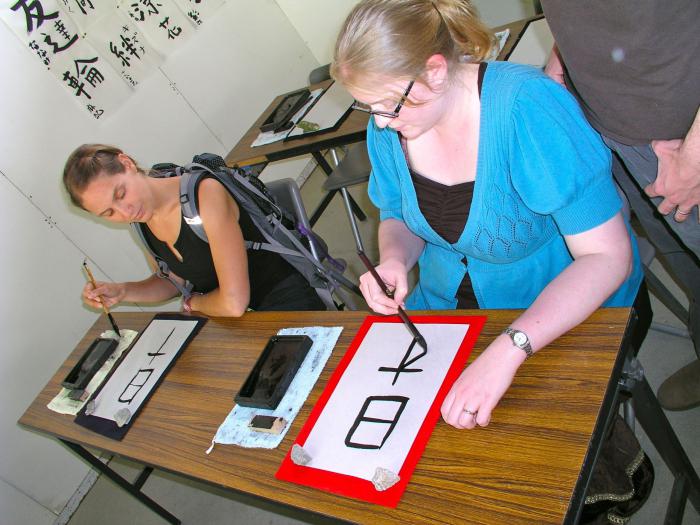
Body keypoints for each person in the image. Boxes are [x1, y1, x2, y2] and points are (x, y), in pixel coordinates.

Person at [331, 0, 643, 429]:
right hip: (450, 308)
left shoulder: (527, 109)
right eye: (370, 109)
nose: (381, 123)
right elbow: (397, 212)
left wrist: (509, 349)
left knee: (534, 448)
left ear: (436, 70)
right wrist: (395, 261)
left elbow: (607, 258)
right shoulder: (392, 126)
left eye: (388, 106)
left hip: (552, 309)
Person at [540, 0, 700, 411]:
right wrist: (567, 48)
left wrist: (697, 154)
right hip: (615, 125)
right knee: (682, 257)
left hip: (683, 138)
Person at [63, 144, 326, 317]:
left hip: (286, 302)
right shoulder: (141, 223)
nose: (125, 211)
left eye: (121, 193)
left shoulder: (204, 194)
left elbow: (233, 303)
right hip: (235, 320)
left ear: (127, 163)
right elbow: (173, 282)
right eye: (109, 213)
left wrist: (193, 304)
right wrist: (123, 291)